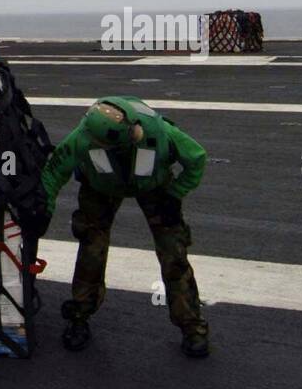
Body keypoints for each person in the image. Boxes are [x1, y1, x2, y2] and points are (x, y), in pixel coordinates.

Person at [41, 96, 210, 357]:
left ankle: (192, 327)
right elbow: (53, 173)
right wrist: (44, 210)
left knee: (174, 255)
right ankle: (79, 317)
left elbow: (197, 158)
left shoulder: (160, 131)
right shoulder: (82, 138)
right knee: (91, 249)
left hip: (155, 186)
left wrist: (175, 194)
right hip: (100, 186)